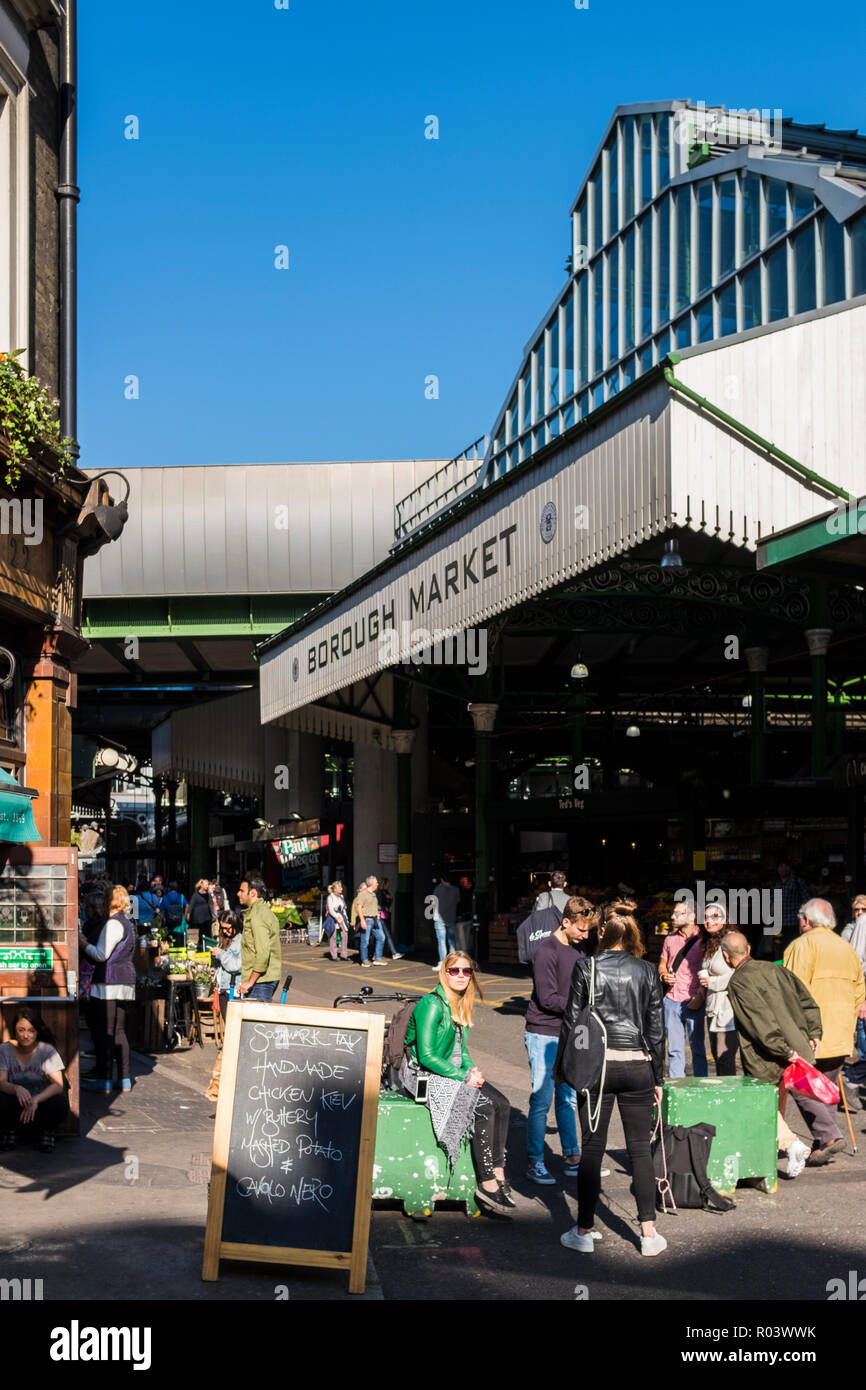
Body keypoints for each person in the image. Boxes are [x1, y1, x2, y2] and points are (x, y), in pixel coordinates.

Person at [558, 913, 667, 1256]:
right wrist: (659, 1077)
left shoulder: (586, 967)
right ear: (634, 935)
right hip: (638, 1066)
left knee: (592, 1148)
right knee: (639, 1148)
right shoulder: (648, 971)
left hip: (597, 1069)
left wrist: (563, 1068)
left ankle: (584, 1230)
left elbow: (573, 1022)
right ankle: (648, 1232)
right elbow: (656, 1030)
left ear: (603, 935)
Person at [402, 950, 513, 1218]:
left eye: (466, 971)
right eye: (455, 971)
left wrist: (472, 1070)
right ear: (444, 973)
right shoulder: (431, 1004)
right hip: (420, 1073)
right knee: (483, 1106)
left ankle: (498, 1170)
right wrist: (464, 1077)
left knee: (502, 1103)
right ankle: (486, 1181)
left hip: (445, 1069)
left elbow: (460, 1049)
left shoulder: (458, 1002)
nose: (461, 976)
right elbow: (426, 1055)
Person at [721, 930, 815, 1178]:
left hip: (767, 1054)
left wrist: (784, 1050)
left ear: (725, 956)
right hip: (791, 1048)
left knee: (761, 1107)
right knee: (775, 1106)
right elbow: (805, 999)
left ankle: (790, 1146)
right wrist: (814, 1032)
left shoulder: (738, 982)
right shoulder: (775, 969)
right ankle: (771, 1158)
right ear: (749, 949)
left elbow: (759, 1024)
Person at [782, 899, 865, 1163]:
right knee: (825, 1088)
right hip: (840, 1030)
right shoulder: (846, 948)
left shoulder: (801, 946)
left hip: (811, 1032)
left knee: (798, 1083)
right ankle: (823, 1143)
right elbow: (859, 990)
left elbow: (791, 993)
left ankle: (829, 1136)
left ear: (806, 920)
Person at [524, 897, 593, 1185]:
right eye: (581, 929)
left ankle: (572, 1157)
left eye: (588, 931)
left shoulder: (576, 949)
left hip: (568, 1031)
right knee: (542, 1100)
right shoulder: (546, 951)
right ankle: (535, 1161)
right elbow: (547, 998)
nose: (585, 936)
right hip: (543, 1031)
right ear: (566, 922)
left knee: (566, 1097)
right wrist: (582, 1004)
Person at [79, 884, 136, 1093]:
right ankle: (125, 1078)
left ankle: (104, 1079)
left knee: (106, 1032)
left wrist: (84, 944)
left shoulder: (113, 923)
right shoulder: (128, 923)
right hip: (125, 981)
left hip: (109, 981)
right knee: (119, 1031)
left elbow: (101, 954)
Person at [0, 1008, 69, 1151]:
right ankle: (9, 1131)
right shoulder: (4, 1050)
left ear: (37, 1032)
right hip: (15, 1106)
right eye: (21, 1030)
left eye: (31, 1031)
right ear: (15, 1031)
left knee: (60, 1102)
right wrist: (16, 1089)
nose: (26, 1035)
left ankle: (47, 1132)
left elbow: (58, 1085)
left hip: (38, 1108)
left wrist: (36, 1099)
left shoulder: (47, 1050)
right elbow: (1, 1082)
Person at [658, 899, 708, 1078]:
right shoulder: (669, 939)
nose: (673, 917)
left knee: (698, 1049)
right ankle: (677, 1087)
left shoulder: (704, 939)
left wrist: (701, 995)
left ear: (692, 916)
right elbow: (662, 964)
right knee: (674, 1050)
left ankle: (701, 1087)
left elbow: (709, 970)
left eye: (678, 913)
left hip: (694, 999)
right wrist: (664, 975)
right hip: (671, 999)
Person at [698, 903, 739, 1076]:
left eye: (714, 916)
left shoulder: (731, 940)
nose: (709, 921)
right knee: (717, 1057)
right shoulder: (709, 942)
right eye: (706, 917)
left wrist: (711, 982)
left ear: (724, 919)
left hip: (727, 1010)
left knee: (724, 1058)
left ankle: (730, 1099)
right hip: (713, 1008)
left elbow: (740, 972)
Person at [236, 876, 281, 1001]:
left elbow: (263, 953)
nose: (238, 893)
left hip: (261, 982)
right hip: (262, 980)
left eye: (241, 891)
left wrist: (250, 982)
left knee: (257, 1020)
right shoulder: (259, 912)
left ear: (253, 893)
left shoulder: (258, 916)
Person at [761, 858, 809, 958]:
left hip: (793, 925)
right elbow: (772, 903)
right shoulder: (776, 883)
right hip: (778, 925)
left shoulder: (798, 882)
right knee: (778, 951)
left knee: (792, 951)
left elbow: (807, 902)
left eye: (785, 866)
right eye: (781, 866)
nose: (783, 869)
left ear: (790, 868)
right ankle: (780, 971)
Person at [431, 873, 461, 971]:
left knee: (441, 941)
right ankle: (452, 963)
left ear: (442, 880)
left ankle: (442, 963)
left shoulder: (438, 889)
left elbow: (432, 902)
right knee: (451, 941)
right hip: (451, 918)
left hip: (439, 919)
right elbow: (457, 901)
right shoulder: (456, 890)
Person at [357, 875, 385, 969]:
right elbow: (359, 907)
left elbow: (373, 906)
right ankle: (364, 960)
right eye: (377, 882)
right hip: (367, 920)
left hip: (375, 920)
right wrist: (362, 921)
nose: (378, 884)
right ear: (372, 883)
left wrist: (377, 913)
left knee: (381, 937)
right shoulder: (363, 894)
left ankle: (378, 958)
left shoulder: (373, 894)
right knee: (365, 941)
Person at [324, 881, 351, 962]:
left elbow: (344, 909)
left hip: (341, 917)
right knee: (333, 936)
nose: (342, 889)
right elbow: (331, 910)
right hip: (333, 917)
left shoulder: (341, 896)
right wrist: (336, 917)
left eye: (341, 887)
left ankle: (344, 955)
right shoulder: (330, 897)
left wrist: (346, 918)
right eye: (340, 887)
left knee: (345, 934)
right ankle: (334, 956)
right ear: (335, 889)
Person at [376, 877, 403, 959]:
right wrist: (385, 907)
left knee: (383, 934)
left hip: (386, 915)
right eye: (387, 883)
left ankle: (376, 953)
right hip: (382, 915)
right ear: (384, 884)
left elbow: (390, 901)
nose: (389, 885)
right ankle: (393, 952)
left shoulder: (386, 892)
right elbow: (380, 903)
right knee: (386, 934)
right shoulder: (380, 893)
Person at [186, 878, 214, 948]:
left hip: (207, 917)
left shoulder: (208, 895)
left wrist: (213, 915)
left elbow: (211, 905)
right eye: (206, 885)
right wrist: (188, 914)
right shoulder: (195, 895)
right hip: (198, 918)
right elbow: (191, 905)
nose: (207, 886)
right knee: (200, 934)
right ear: (201, 885)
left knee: (207, 934)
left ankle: (207, 947)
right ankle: (199, 946)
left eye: (208, 885)